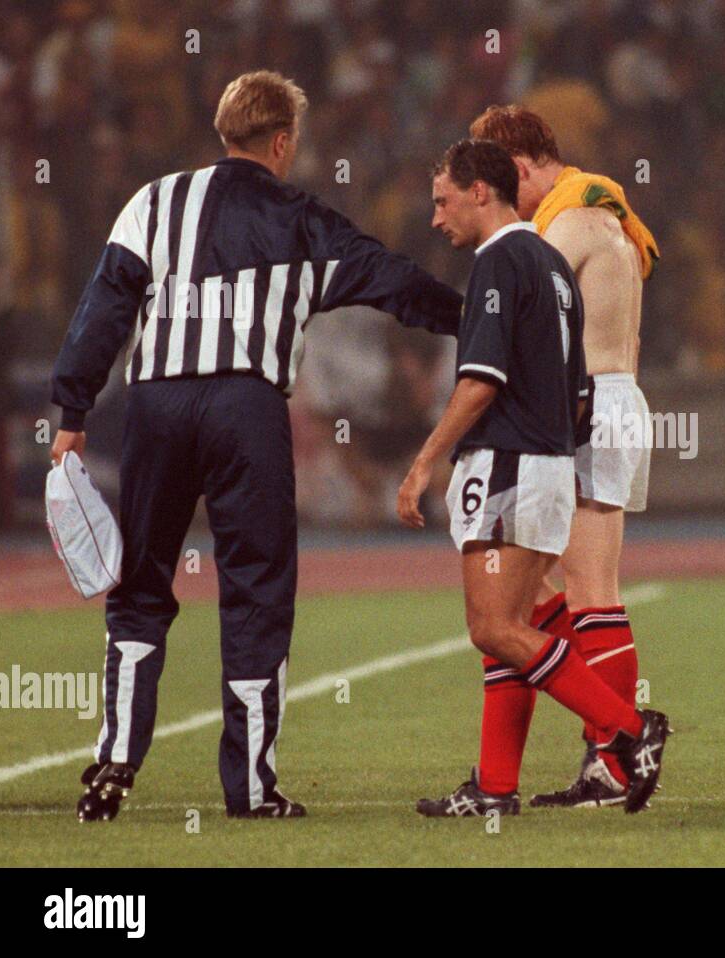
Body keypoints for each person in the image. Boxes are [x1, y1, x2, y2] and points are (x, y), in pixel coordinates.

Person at [51, 70, 465, 821]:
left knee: (140, 588)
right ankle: (248, 787)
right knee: (256, 592)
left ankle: (113, 764)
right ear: (283, 142)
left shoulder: (153, 202)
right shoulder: (300, 216)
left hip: (158, 402)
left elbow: (104, 303)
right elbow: (391, 279)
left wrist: (72, 406)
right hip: (245, 406)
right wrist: (471, 318)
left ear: (222, 133)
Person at [397, 138, 669, 816]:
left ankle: (629, 731)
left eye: (443, 201)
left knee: (493, 628)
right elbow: (578, 387)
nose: (437, 219)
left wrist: (427, 458)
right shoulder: (551, 263)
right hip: (549, 464)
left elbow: (481, 381)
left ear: (480, 192)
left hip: (507, 464)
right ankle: (494, 788)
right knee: (517, 619)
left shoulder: (500, 262)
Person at [465, 105, 661, 807]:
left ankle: (620, 753)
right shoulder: (601, 209)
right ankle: (602, 755)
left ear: (518, 168)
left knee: (586, 596)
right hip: (612, 403)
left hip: (587, 408)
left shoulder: (565, 219)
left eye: (492, 177)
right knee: (528, 596)